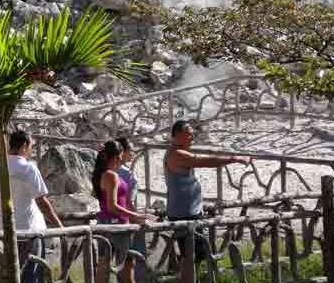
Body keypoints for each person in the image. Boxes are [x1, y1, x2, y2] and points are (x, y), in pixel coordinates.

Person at [165, 120, 251, 283]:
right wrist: (234, 158)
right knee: (190, 254)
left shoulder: (180, 152)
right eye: (189, 134)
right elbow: (205, 161)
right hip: (182, 213)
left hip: (190, 212)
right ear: (178, 135)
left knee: (195, 254)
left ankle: (187, 279)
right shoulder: (177, 154)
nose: (192, 137)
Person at [0, 130, 63, 283]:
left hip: (6, 231)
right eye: (31, 146)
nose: (31, 150)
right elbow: (42, 201)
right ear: (24, 145)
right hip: (30, 230)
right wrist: (58, 224)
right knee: (31, 274)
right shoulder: (28, 168)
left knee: (9, 274)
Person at [93, 140, 153, 283]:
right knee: (126, 266)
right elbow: (112, 206)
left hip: (105, 223)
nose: (121, 160)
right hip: (117, 225)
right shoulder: (111, 176)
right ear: (115, 157)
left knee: (104, 265)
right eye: (120, 156)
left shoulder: (102, 174)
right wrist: (136, 215)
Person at [114, 138, 147, 281]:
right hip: (128, 220)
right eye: (131, 150)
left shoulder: (108, 170)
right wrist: (138, 218)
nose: (133, 153)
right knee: (131, 261)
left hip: (112, 219)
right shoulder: (127, 174)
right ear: (123, 152)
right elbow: (129, 202)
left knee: (119, 261)